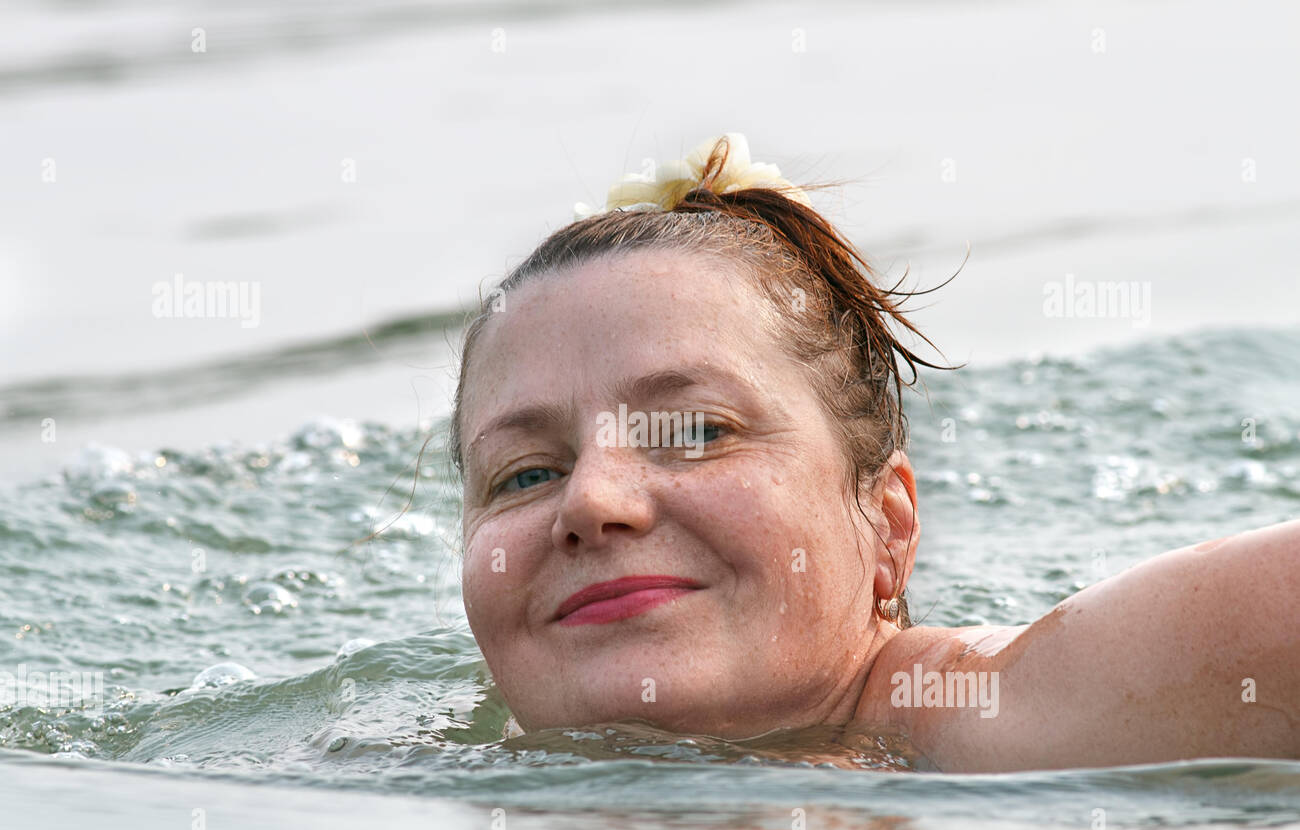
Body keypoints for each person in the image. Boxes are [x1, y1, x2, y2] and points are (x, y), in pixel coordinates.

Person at [447, 133, 1300, 772]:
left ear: (888, 528)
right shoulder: (373, 772)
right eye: (525, 473)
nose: (592, 500)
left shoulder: (1025, 714)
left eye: (697, 431)